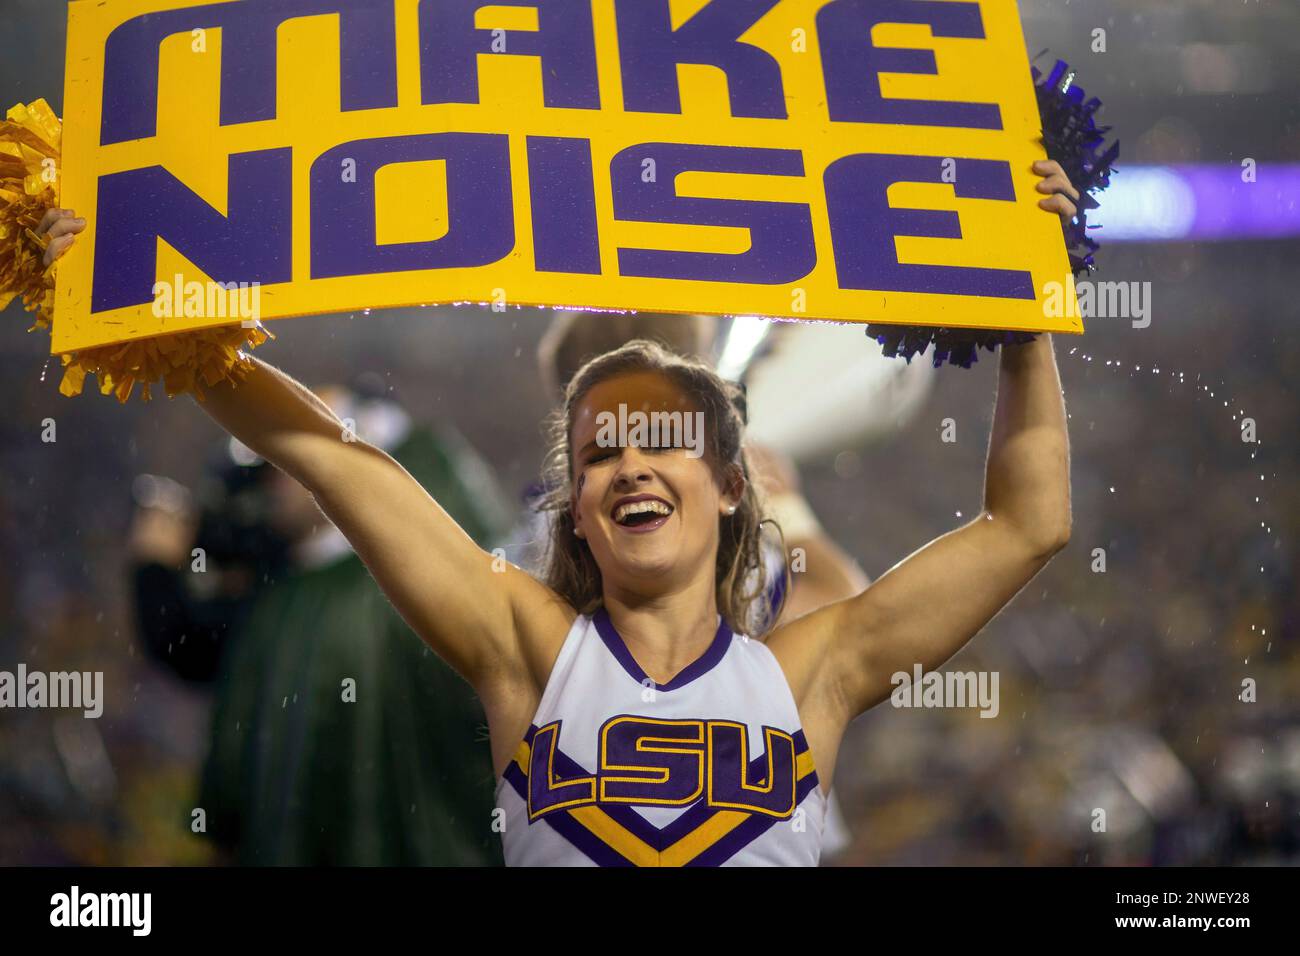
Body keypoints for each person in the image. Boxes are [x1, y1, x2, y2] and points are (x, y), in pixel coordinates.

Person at [41, 159, 1079, 865]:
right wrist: (144, 300)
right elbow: (331, 454)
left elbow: (1028, 522)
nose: (629, 464)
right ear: (573, 506)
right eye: (598, 451)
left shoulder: (817, 664)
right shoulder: (522, 644)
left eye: (664, 437)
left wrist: (1027, 318)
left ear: (731, 484)